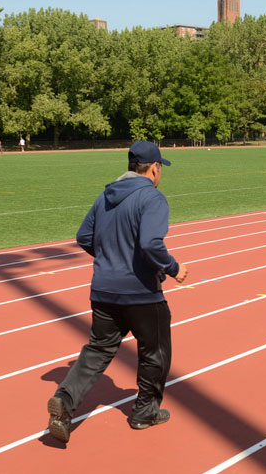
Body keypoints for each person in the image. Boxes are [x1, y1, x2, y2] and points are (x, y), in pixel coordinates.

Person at [47, 141, 188, 445]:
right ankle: (144, 412)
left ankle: (65, 400)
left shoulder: (105, 195)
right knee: (155, 350)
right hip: (141, 292)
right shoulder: (152, 197)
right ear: (154, 168)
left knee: (98, 350)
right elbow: (151, 243)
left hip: (103, 289)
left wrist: (110, 258)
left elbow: (84, 236)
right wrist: (173, 268)